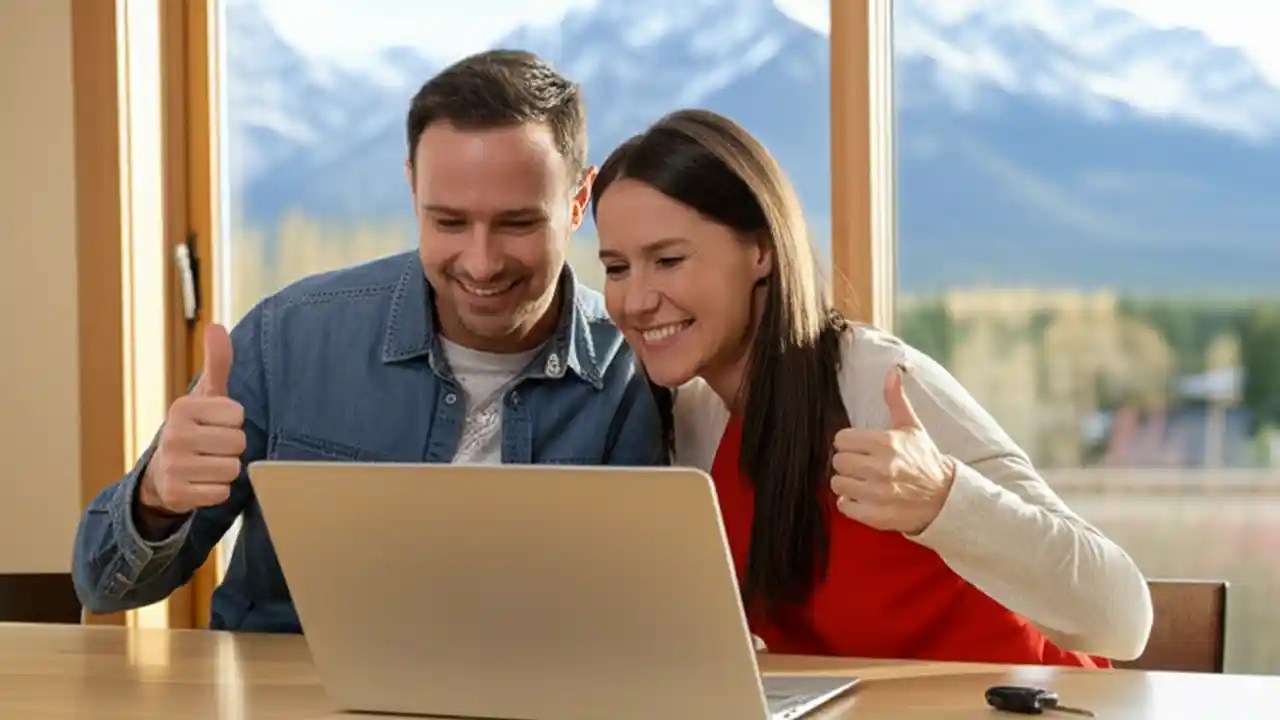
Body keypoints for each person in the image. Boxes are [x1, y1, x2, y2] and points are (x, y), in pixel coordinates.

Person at [71, 50, 664, 632]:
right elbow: (101, 586)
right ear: (413, 190)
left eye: (517, 223)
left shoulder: (627, 375)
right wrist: (155, 499)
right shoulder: (290, 339)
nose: (481, 264)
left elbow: (630, 621)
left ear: (578, 201)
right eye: (449, 222)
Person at [590, 109, 1153, 666]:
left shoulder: (876, 382)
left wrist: (943, 498)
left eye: (668, 260)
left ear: (760, 249)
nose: (636, 300)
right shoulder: (688, 418)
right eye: (617, 269)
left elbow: (1124, 620)